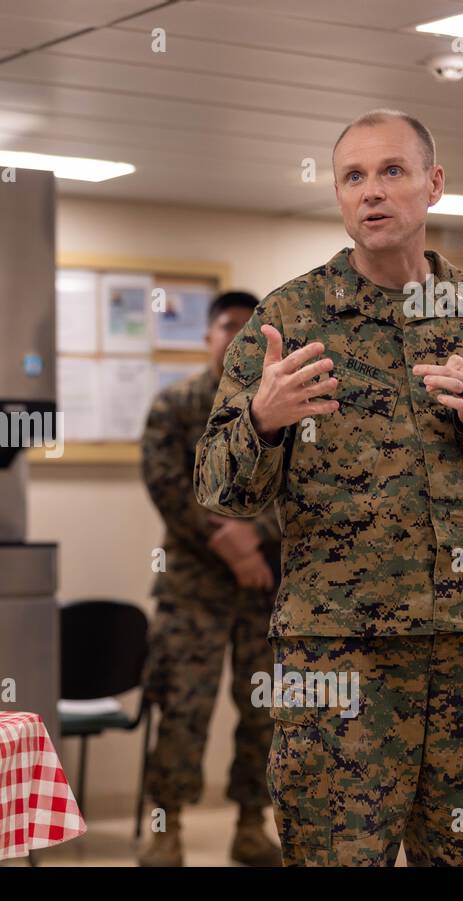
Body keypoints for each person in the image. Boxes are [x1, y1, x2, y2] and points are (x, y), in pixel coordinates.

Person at [194, 108, 463, 866]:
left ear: (433, 185)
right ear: (339, 196)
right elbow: (217, 487)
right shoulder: (289, 319)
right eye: (354, 176)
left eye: (392, 171)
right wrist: (263, 423)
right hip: (341, 661)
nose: (372, 192)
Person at [137, 290, 284, 867]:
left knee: (264, 710)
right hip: (192, 586)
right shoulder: (175, 405)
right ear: (207, 336)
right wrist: (227, 540)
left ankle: (251, 825)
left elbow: (302, 487)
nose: (234, 337)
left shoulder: (281, 406)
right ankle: (165, 828)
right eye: (226, 326)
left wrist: (258, 541)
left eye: (248, 329)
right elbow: (165, 483)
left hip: (263, 588)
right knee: (182, 706)